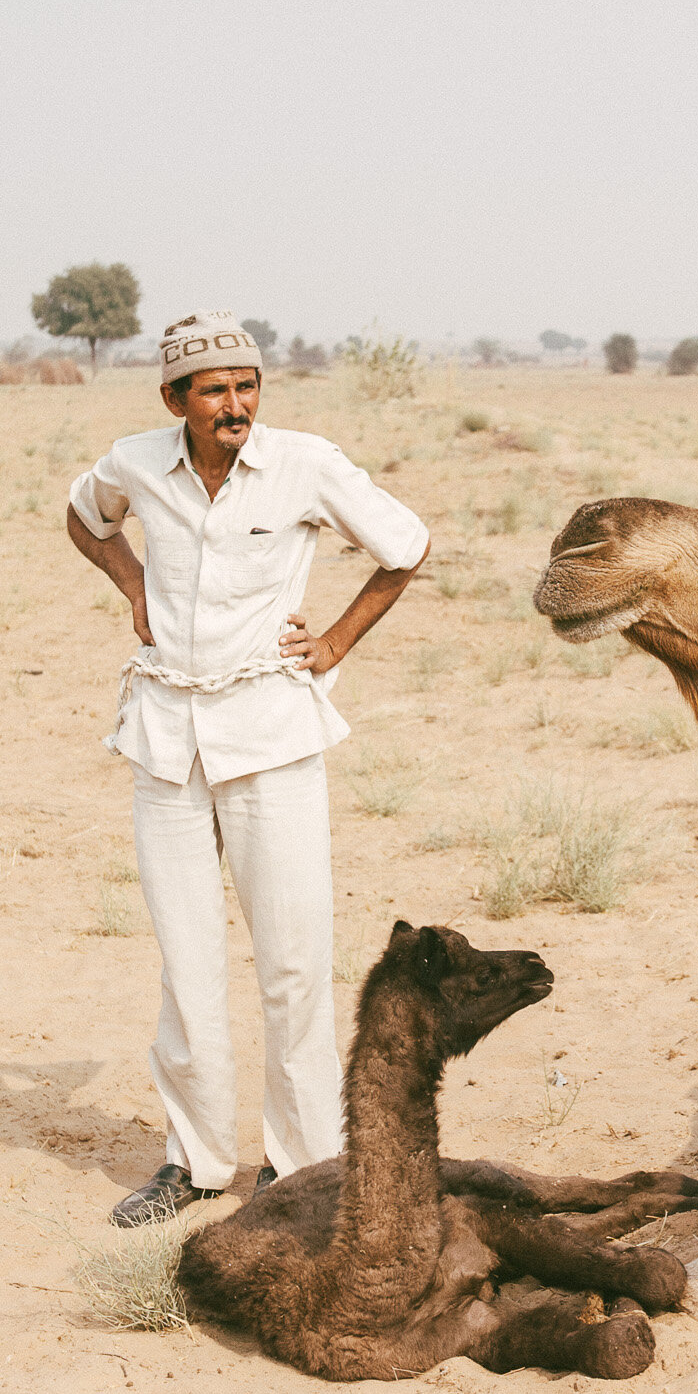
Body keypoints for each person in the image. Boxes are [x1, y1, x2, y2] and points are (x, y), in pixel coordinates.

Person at [66, 310, 429, 1226]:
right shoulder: (137, 462)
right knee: (187, 968)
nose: (235, 405)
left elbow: (406, 546)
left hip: (272, 736)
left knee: (294, 966)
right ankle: (191, 1165)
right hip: (167, 741)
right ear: (174, 399)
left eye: (247, 386)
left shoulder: (305, 463)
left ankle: (301, 1168)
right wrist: (134, 583)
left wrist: (337, 637)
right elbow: (82, 517)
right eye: (214, 390)